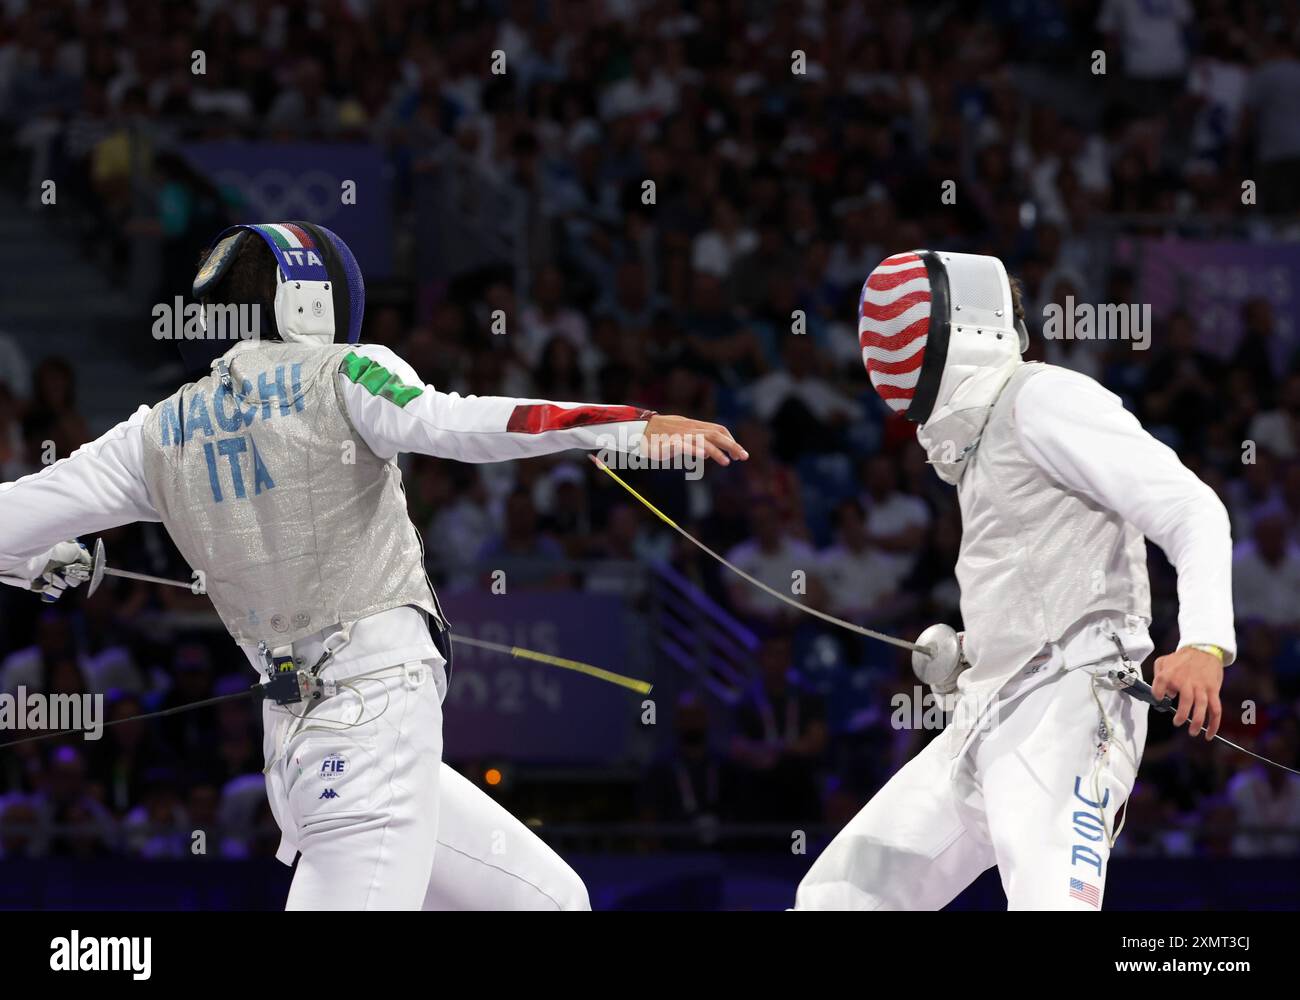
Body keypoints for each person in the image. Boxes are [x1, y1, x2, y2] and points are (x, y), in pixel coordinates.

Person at [0, 220, 747, 910]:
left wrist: (31, 561)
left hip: (302, 747)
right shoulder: (344, 373)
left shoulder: (153, 432)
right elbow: (457, 420)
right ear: (307, 304)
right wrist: (626, 426)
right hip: (370, 725)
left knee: (547, 900)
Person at [795, 250, 1234, 910]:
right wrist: (978, 649)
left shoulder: (1044, 397)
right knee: (840, 894)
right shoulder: (982, 443)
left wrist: (1203, 643)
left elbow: (1190, 508)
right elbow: (1044, 578)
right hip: (989, 712)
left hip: (1072, 703)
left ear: (956, 324)